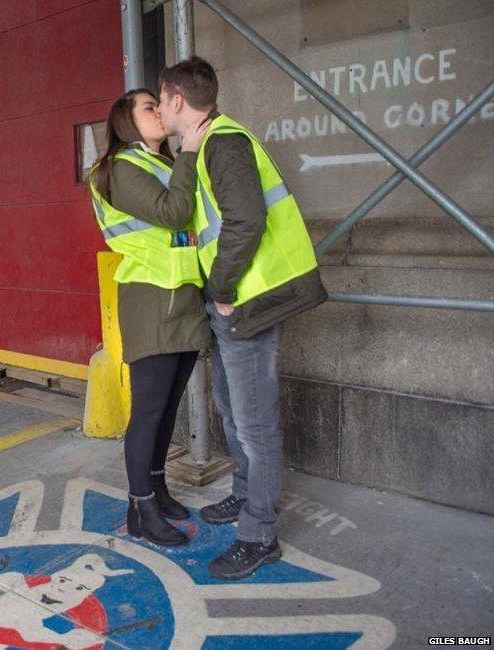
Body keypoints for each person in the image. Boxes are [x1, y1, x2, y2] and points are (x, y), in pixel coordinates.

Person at [157, 56, 327, 579]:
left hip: (249, 301)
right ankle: (245, 495)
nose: (160, 109)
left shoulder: (223, 144)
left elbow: (246, 218)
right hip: (237, 301)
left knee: (253, 425)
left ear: (178, 101)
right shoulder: (208, 144)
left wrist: (223, 288)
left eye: (161, 100)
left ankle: (258, 536)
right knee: (233, 409)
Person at [89, 89, 211, 547]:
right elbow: (175, 211)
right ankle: (140, 507)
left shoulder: (160, 163)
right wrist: (191, 152)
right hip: (151, 299)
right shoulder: (124, 166)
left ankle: (157, 490)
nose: (159, 112)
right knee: (150, 411)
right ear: (126, 120)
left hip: (179, 295)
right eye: (148, 107)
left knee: (168, 408)